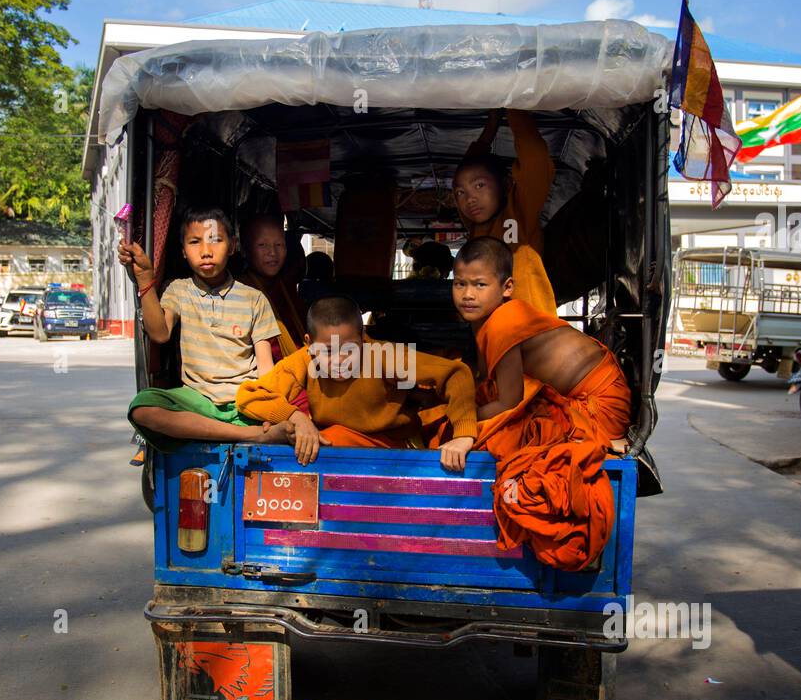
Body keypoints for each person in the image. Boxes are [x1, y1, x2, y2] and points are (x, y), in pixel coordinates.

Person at [451, 236, 632, 570]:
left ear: (506, 287)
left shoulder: (503, 321)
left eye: (479, 284)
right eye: (460, 283)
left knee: (499, 433)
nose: (468, 294)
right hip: (579, 391)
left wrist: (462, 421)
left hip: (598, 403)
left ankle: (602, 436)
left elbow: (509, 400)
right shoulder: (490, 320)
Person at [235, 296, 478, 472]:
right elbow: (249, 396)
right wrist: (296, 417)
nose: (339, 360)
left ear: (363, 339)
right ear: (309, 344)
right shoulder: (304, 359)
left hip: (393, 446)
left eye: (349, 349)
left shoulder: (384, 356)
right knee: (316, 444)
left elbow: (457, 373)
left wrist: (464, 435)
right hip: (336, 443)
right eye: (328, 351)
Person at [119, 207, 289, 452]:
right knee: (143, 408)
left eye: (216, 241)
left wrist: (273, 410)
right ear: (183, 251)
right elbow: (160, 333)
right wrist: (146, 279)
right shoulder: (179, 290)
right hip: (198, 401)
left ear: (232, 247)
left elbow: (265, 368)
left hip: (245, 401)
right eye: (195, 242)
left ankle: (228, 430)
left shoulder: (254, 299)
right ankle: (251, 435)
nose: (206, 251)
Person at [453, 109, 558, 315]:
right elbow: (467, 169)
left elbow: (535, 158)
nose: (470, 198)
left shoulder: (520, 212)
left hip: (532, 334)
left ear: (506, 184)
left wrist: (512, 106)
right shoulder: (475, 226)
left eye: (480, 186)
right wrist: (491, 123)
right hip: (494, 341)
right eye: (460, 192)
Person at [236, 213, 308, 361]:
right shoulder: (239, 293)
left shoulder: (286, 287)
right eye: (262, 245)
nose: (272, 253)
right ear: (244, 250)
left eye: (279, 244)